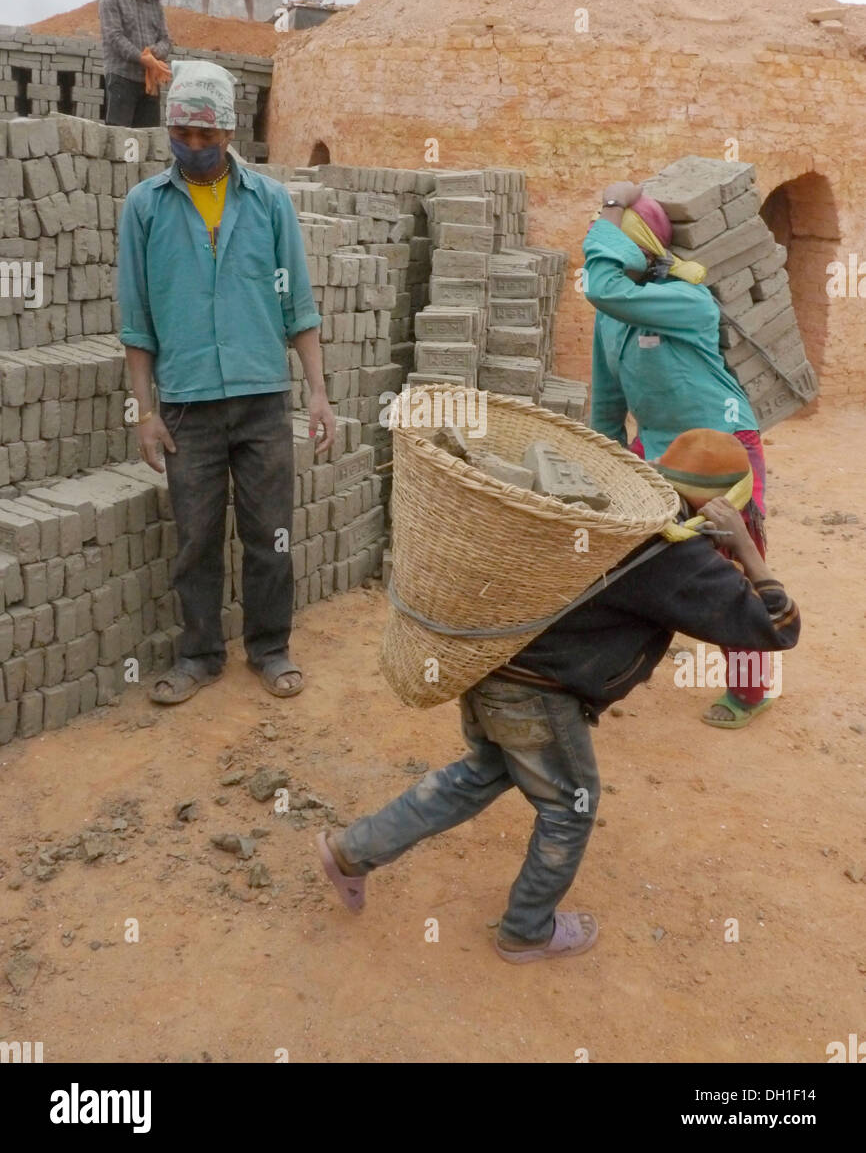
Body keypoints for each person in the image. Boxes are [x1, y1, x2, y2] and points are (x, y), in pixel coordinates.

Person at [316, 428, 800, 963]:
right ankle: (526, 931)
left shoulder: (617, 517)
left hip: (492, 665)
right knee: (571, 807)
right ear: (724, 507)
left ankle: (351, 852)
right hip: (536, 697)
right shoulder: (678, 560)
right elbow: (777, 626)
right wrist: (748, 554)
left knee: (477, 776)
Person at [117, 59, 335, 705]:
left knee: (270, 536)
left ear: (231, 135)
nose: (193, 147)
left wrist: (318, 393)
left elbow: (299, 306)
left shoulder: (268, 204)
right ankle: (199, 655)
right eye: (182, 134)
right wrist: (143, 412)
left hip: (263, 398)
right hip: (186, 407)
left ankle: (270, 648)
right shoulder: (145, 210)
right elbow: (137, 321)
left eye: (206, 138)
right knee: (196, 540)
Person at [583, 181, 772, 728]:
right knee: (635, 556)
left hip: (723, 446)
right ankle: (609, 667)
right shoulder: (611, 316)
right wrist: (608, 471)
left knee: (731, 563)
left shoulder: (689, 300)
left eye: (621, 239)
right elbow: (608, 405)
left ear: (642, 247)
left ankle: (750, 689)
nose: (611, 249)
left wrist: (614, 206)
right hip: (660, 447)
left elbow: (602, 287)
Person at [99, 0, 172, 127]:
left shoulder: (154, 4)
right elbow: (114, 37)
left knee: (148, 136)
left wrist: (154, 53)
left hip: (149, 82)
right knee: (120, 135)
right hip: (121, 77)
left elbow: (166, 39)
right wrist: (141, 57)